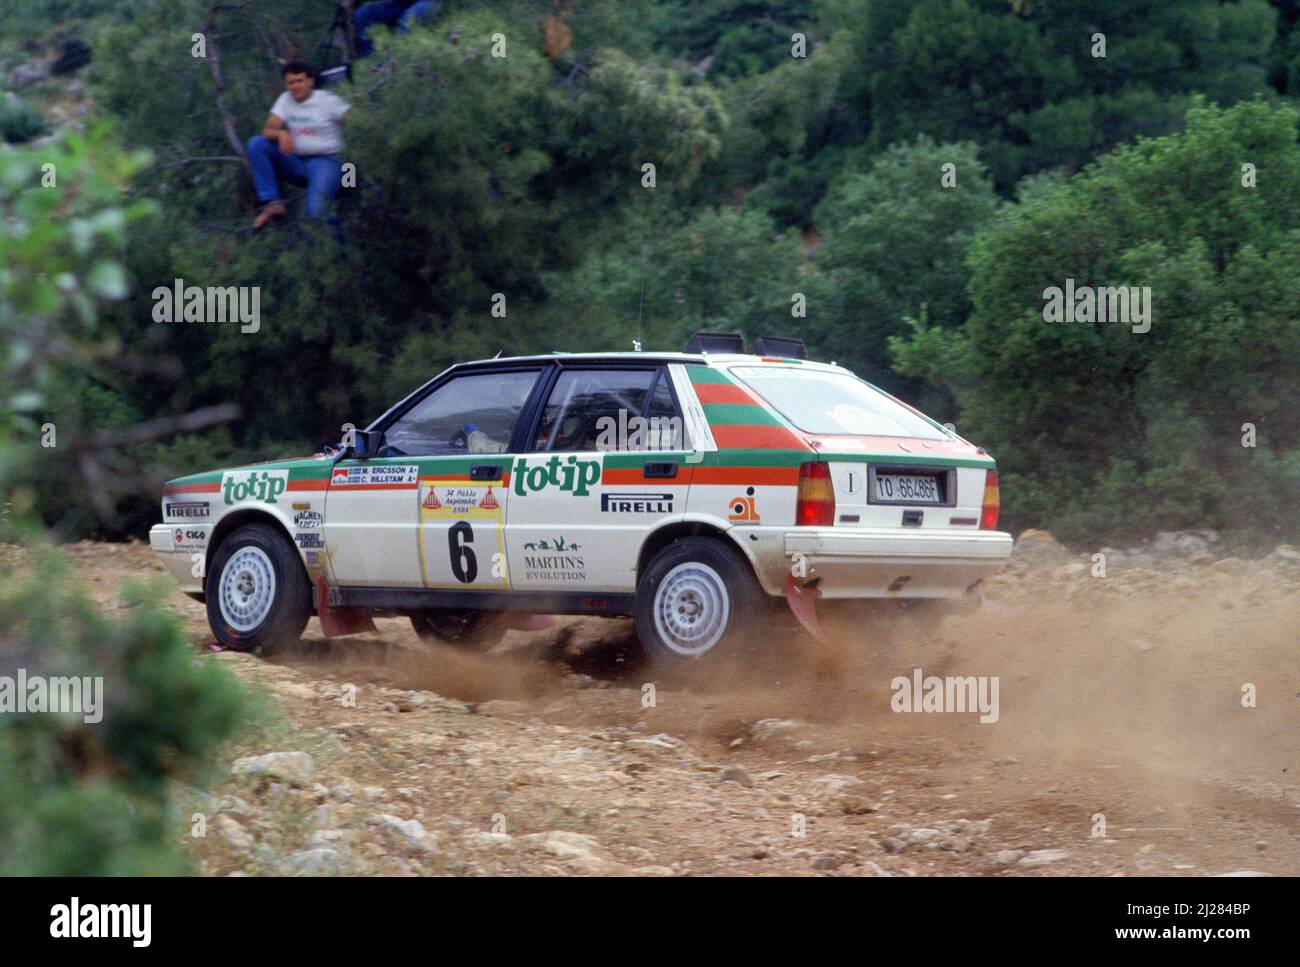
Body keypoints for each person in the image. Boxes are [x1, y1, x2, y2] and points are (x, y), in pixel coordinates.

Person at [246, 61, 350, 230]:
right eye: (290, 83)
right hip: (297, 161)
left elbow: (358, 119)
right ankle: (272, 202)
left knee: (315, 212)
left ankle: (339, 247)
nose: (295, 86)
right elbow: (268, 129)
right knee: (257, 144)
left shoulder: (328, 100)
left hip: (326, 162)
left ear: (310, 82)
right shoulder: (285, 100)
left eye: (299, 81)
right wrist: (281, 133)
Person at [354, 0, 441, 59]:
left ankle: (391, 67)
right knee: (362, 15)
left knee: (408, 20)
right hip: (401, 3)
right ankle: (370, 64)